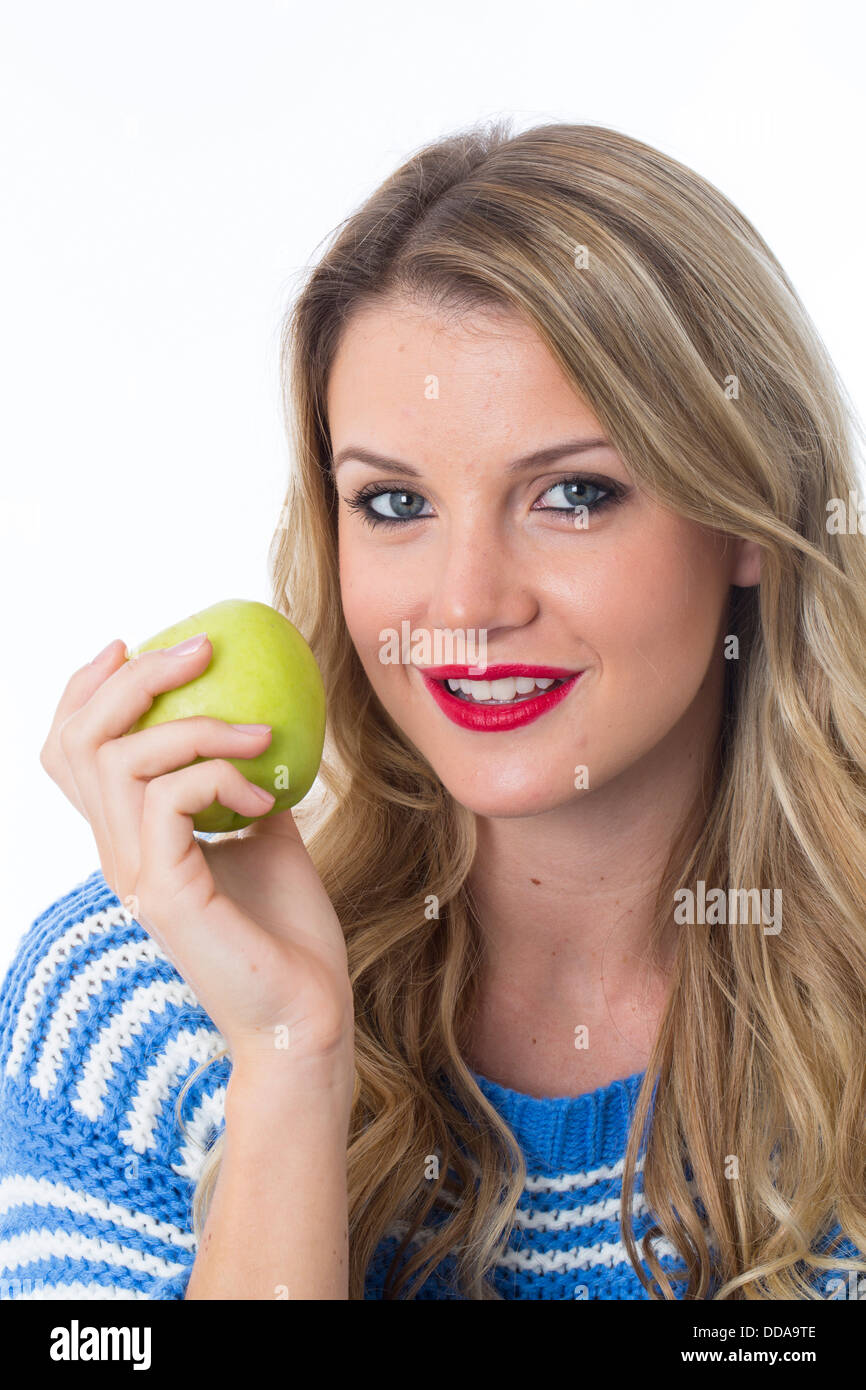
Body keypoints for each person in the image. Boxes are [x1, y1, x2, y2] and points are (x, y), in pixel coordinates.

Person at [2, 118, 866, 1301]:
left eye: (571, 493)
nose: (462, 604)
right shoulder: (132, 1001)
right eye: (395, 502)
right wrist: (289, 1063)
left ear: (747, 518)